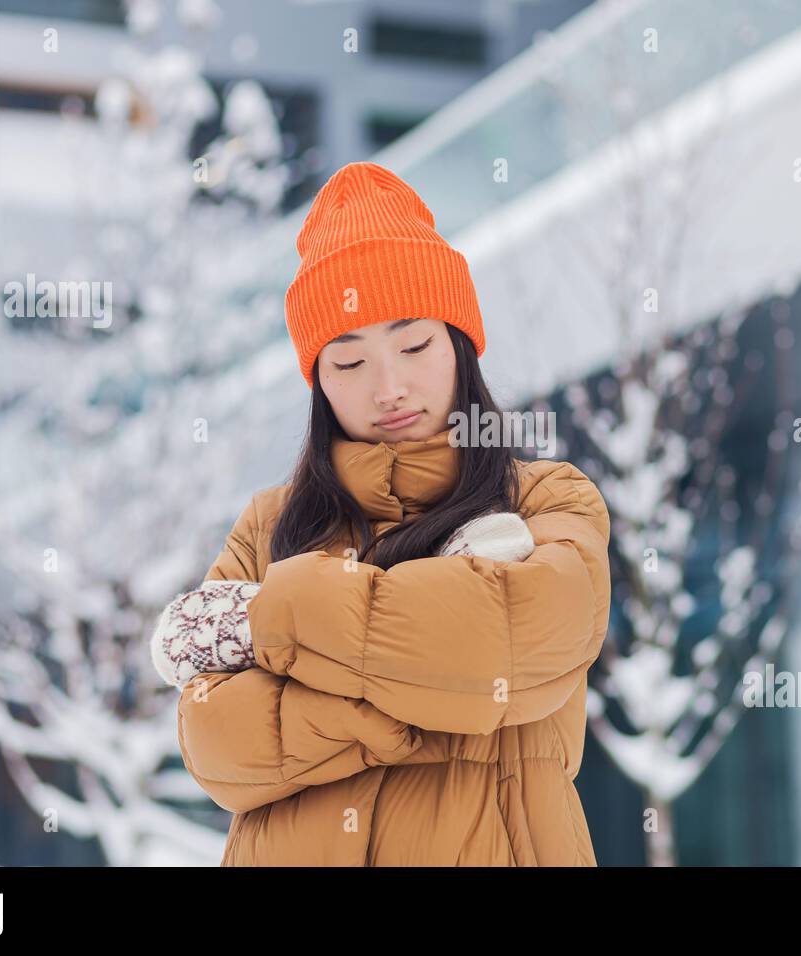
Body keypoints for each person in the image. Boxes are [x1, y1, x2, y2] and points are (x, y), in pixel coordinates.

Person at [150, 161, 612, 866]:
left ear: (460, 343)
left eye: (415, 345)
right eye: (348, 361)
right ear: (317, 381)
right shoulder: (267, 525)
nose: (389, 387)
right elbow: (217, 747)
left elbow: (498, 651)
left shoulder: (551, 500)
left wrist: (269, 621)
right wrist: (423, 698)